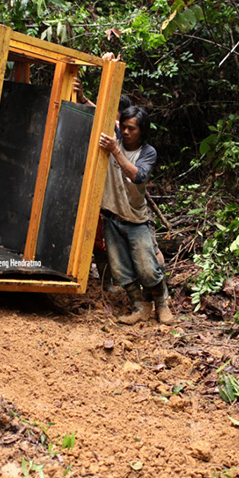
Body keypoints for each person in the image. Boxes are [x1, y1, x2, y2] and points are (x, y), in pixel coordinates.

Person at [98, 106, 174, 325]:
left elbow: (138, 176)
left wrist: (115, 150)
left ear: (142, 130)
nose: (126, 132)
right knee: (121, 269)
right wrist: (83, 97)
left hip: (136, 219)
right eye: (123, 127)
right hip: (112, 216)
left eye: (132, 128)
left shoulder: (147, 152)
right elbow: (98, 113)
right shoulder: (113, 141)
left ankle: (162, 305)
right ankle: (140, 308)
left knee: (147, 268)